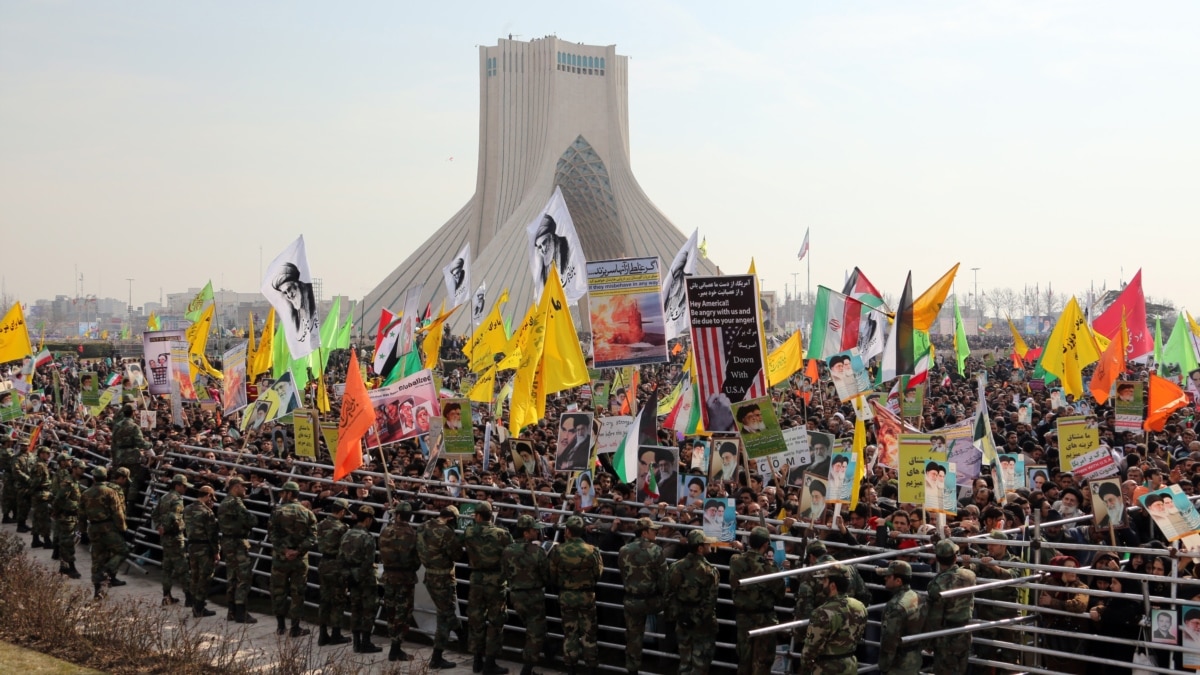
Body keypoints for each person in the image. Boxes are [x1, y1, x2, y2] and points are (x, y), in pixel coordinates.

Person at [460, 501, 513, 674]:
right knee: (496, 621)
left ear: (477, 515)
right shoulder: (501, 534)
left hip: (476, 578)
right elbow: (511, 552)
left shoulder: (469, 531)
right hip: (496, 580)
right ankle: (490, 662)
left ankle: (477, 659)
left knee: (476, 619)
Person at [549, 515, 603, 675]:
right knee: (589, 633)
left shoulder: (558, 550)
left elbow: (552, 575)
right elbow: (598, 573)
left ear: (567, 531)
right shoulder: (592, 550)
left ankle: (570, 667)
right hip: (587, 596)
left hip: (566, 595)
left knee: (570, 632)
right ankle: (591, 667)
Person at [729, 526, 785, 675]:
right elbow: (780, 593)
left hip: (743, 617)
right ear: (766, 545)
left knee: (744, 660)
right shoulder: (770, 569)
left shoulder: (735, 560)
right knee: (762, 663)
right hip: (764, 619)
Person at [418, 505, 466, 669]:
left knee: (445, 612)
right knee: (445, 616)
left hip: (429, 576)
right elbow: (457, 554)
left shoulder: (423, 526)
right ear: (451, 519)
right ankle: (437, 657)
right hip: (444, 577)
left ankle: (461, 636)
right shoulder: (446, 532)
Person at [666, 530, 720, 675]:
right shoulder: (709, 570)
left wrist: (679, 615)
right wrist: (695, 618)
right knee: (701, 663)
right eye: (706, 543)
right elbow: (710, 601)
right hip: (702, 623)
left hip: (682, 619)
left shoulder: (675, 567)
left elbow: (669, 593)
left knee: (685, 660)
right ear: (700, 548)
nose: (710, 545)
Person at [618, 517, 667, 675]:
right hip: (652, 600)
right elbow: (663, 578)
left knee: (633, 638)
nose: (656, 533)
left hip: (632, 599)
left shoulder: (624, 549)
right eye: (654, 530)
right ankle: (667, 661)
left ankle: (633, 669)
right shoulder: (655, 550)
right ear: (645, 532)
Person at [503, 514, 550, 675]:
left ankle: (544, 653)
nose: (536, 533)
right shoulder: (537, 551)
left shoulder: (508, 550)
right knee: (536, 632)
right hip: (533, 596)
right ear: (526, 532)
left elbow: (505, 571)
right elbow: (546, 576)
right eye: (533, 531)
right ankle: (527, 669)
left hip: (515, 594)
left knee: (532, 629)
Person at [269, 480, 317, 638]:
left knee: (278, 591)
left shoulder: (277, 511)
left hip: (281, 558)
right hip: (300, 560)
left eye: (283, 493)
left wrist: (284, 550)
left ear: (289, 494)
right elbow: (312, 537)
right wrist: (297, 551)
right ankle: (295, 627)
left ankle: (280, 626)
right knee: (298, 593)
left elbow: (272, 535)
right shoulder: (308, 513)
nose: (282, 495)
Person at [799, 566, 867, 675]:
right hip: (850, 665)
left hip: (827, 668)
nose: (822, 584)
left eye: (825, 580)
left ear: (833, 585)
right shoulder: (859, 606)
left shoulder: (822, 612)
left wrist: (805, 666)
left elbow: (811, 649)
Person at [924, 540, 976, 675]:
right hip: (964, 631)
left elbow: (935, 615)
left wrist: (930, 640)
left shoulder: (936, 584)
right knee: (961, 669)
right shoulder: (969, 575)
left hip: (945, 635)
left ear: (937, 559)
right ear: (955, 557)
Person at [971, 532, 1021, 668]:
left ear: (1003, 545)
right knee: (984, 658)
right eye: (989, 544)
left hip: (1007, 616)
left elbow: (1013, 577)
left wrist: (993, 566)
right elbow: (972, 571)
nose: (989, 547)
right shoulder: (983, 558)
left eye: (993, 544)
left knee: (1010, 658)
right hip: (986, 615)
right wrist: (968, 563)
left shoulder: (1014, 561)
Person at [379, 501, 421, 662]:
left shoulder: (386, 531)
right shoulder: (412, 534)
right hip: (405, 578)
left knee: (391, 610)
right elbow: (416, 560)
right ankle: (396, 648)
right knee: (403, 612)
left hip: (389, 576)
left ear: (396, 515)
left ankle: (393, 644)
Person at [81, 466, 128, 599]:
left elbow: (81, 515)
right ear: (106, 477)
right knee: (123, 550)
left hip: (93, 528)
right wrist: (123, 528)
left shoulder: (86, 493)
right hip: (108, 528)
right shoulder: (110, 492)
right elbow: (118, 512)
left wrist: (82, 531)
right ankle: (108, 570)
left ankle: (98, 592)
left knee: (97, 559)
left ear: (94, 478)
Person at [340, 505, 382, 654]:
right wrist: (361, 577)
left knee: (355, 609)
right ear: (368, 519)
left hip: (351, 576)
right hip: (365, 579)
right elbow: (368, 561)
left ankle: (356, 642)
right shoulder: (367, 537)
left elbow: (342, 558)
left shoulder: (346, 534)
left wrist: (349, 576)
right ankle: (366, 642)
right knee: (368, 610)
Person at [218, 475, 258, 624]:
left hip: (228, 541)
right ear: (236, 487)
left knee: (232, 576)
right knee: (243, 577)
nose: (245, 489)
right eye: (243, 486)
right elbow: (250, 520)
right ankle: (241, 612)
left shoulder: (225, 501)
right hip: (237, 543)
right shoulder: (235, 503)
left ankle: (232, 611)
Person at [876, 560, 923, 675]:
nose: (885, 578)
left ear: (898, 581)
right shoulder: (918, 597)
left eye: (888, 576)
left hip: (898, 664)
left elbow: (890, 640)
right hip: (914, 659)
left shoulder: (895, 606)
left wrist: (884, 666)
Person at [315, 499, 351, 646]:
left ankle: (322, 634)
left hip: (324, 563)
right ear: (342, 511)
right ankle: (336, 634)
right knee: (338, 600)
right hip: (337, 565)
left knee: (324, 599)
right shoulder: (343, 528)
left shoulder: (321, 524)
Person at [153, 473, 190, 606]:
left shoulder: (164, 497)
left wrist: (159, 527)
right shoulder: (177, 499)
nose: (185, 489)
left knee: (167, 567)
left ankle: (166, 596)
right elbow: (174, 517)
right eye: (184, 486)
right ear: (178, 486)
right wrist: (167, 527)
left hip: (165, 538)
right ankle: (189, 598)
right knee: (182, 567)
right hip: (175, 536)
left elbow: (155, 513)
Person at [184, 484, 220, 619]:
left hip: (192, 546)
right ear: (208, 496)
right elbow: (212, 534)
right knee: (205, 577)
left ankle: (194, 602)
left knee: (194, 575)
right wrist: (216, 551)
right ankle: (199, 607)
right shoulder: (207, 512)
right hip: (204, 547)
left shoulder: (187, 509)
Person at [51, 459, 85, 580]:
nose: (83, 471)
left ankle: (63, 567)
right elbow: (59, 499)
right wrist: (56, 512)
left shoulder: (75, 482)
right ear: (74, 469)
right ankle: (70, 567)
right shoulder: (69, 483)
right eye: (81, 468)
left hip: (71, 516)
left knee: (66, 542)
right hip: (66, 517)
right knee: (68, 543)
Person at [111, 404, 150, 508]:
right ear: (133, 413)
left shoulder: (117, 425)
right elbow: (140, 443)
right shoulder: (134, 427)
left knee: (120, 480)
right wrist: (150, 444)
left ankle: (117, 501)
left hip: (119, 456)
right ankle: (129, 504)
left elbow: (113, 441)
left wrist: (114, 457)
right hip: (132, 457)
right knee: (133, 481)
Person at [271, 261, 318, 344]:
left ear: (298, 285)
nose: (289, 295)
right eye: (285, 293)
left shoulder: (312, 313)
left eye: (289, 289)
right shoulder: (296, 318)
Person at [532, 213, 571, 287]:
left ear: (551, 236)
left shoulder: (564, 245)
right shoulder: (543, 263)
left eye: (544, 242)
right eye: (539, 247)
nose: (543, 249)